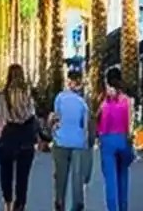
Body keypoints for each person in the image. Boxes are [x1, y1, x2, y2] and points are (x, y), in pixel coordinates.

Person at [0, 63, 37, 211]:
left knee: (6, 172)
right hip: (25, 137)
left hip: (9, 135)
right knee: (22, 176)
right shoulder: (28, 93)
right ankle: (20, 204)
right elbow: (31, 114)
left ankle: (7, 203)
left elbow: (2, 120)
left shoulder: (4, 94)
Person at [49, 69, 92, 211]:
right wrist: (86, 142)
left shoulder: (60, 98)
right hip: (78, 142)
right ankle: (78, 203)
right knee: (77, 175)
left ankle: (59, 201)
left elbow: (56, 118)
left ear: (69, 82)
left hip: (61, 141)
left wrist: (53, 132)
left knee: (60, 175)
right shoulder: (83, 103)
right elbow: (85, 125)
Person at [96, 67, 135, 211]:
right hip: (123, 139)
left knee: (110, 180)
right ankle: (123, 207)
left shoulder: (104, 99)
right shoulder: (127, 100)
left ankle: (113, 208)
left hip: (107, 140)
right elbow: (130, 124)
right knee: (123, 175)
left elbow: (97, 118)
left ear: (107, 81)